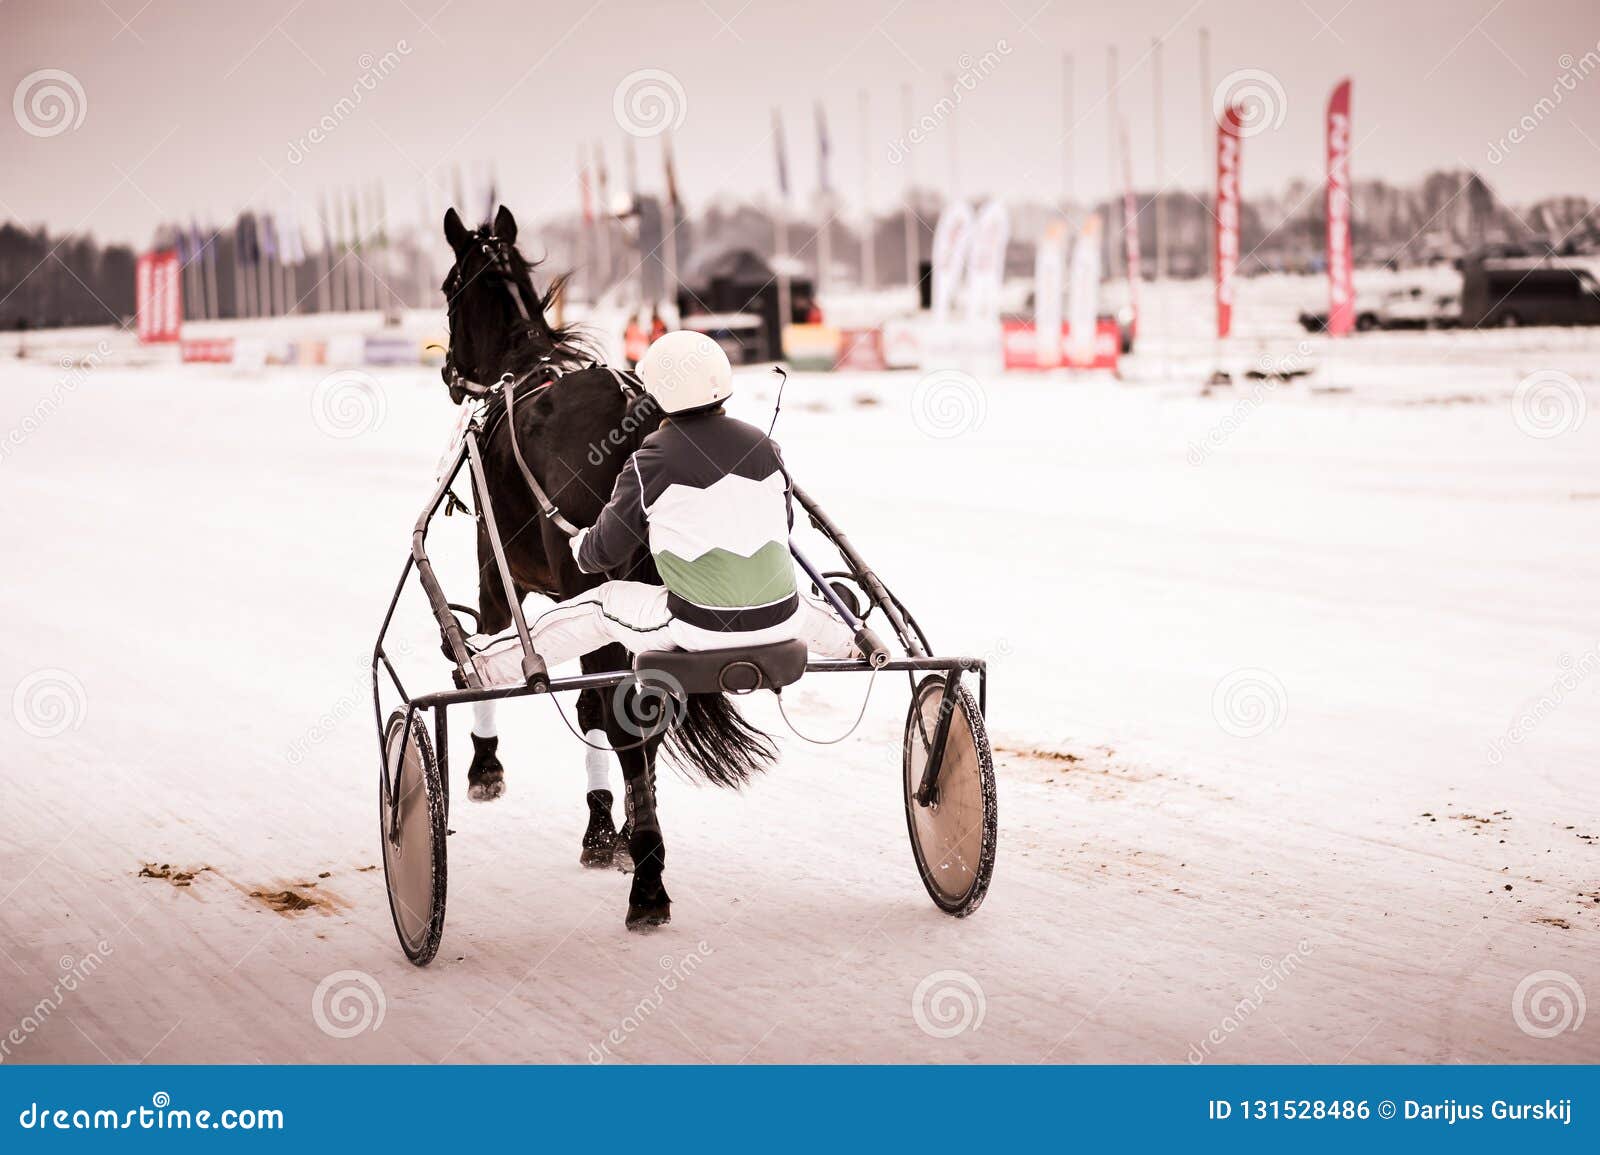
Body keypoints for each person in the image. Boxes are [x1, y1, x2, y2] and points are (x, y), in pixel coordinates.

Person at [473, 331, 858, 686]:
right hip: (785, 620)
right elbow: (781, 525)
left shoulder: (650, 460)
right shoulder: (765, 445)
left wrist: (578, 544)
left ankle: (485, 667)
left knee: (596, 606)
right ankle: (859, 645)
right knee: (814, 611)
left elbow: (599, 557)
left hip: (696, 627)